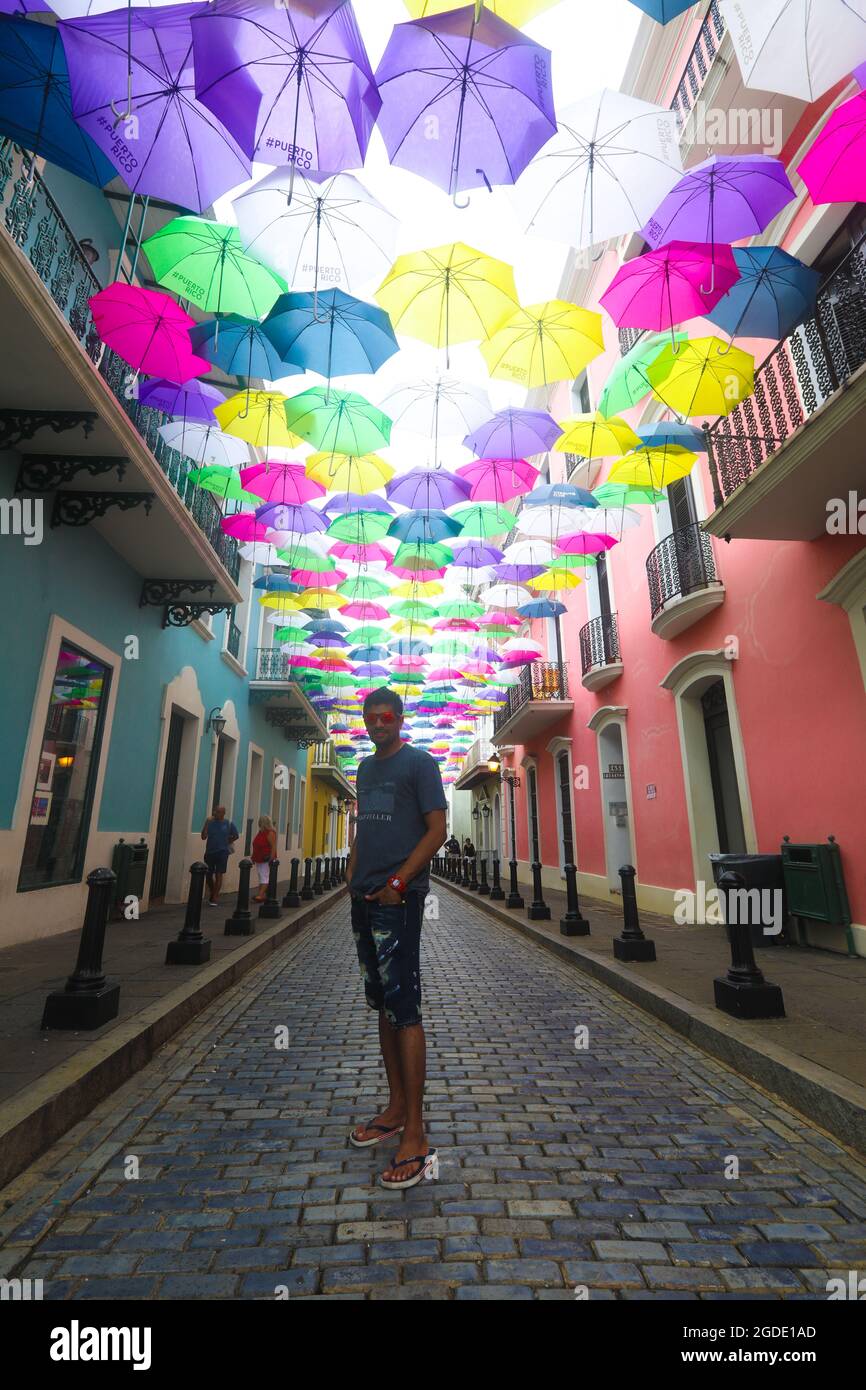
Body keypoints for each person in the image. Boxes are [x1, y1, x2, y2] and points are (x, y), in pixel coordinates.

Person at [346, 687, 447, 1189]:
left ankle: (416, 1133)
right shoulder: (365, 770)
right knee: (383, 1005)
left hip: (398, 903)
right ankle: (395, 1106)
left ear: (400, 718)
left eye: (385, 716)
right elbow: (365, 825)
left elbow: (437, 831)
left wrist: (397, 882)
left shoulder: (420, 764)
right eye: (370, 717)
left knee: (404, 1010)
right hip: (364, 900)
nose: (377, 723)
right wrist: (354, 868)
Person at [200, 806, 239, 906]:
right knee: (208, 875)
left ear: (223, 813)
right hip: (210, 852)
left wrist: (227, 841)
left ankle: (215, 897)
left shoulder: (228, 823)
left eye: (217, 812)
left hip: (222, 852)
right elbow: (203, 837)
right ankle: (213, 892)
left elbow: (236, 835)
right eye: (215, 811)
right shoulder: (210, 823)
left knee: (219, 873)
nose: (215, 813)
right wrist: (206, 823)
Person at [250, 814, 277, 903]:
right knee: (261, 876)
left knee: (264, 877)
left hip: (265, 859)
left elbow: (273, 847)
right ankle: (262, 894)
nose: (259, 823)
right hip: (259, 858)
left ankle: (260, 895)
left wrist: (271, 859)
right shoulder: (261, 832)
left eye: (260, 822)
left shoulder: (270, 833)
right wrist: (253, 857)